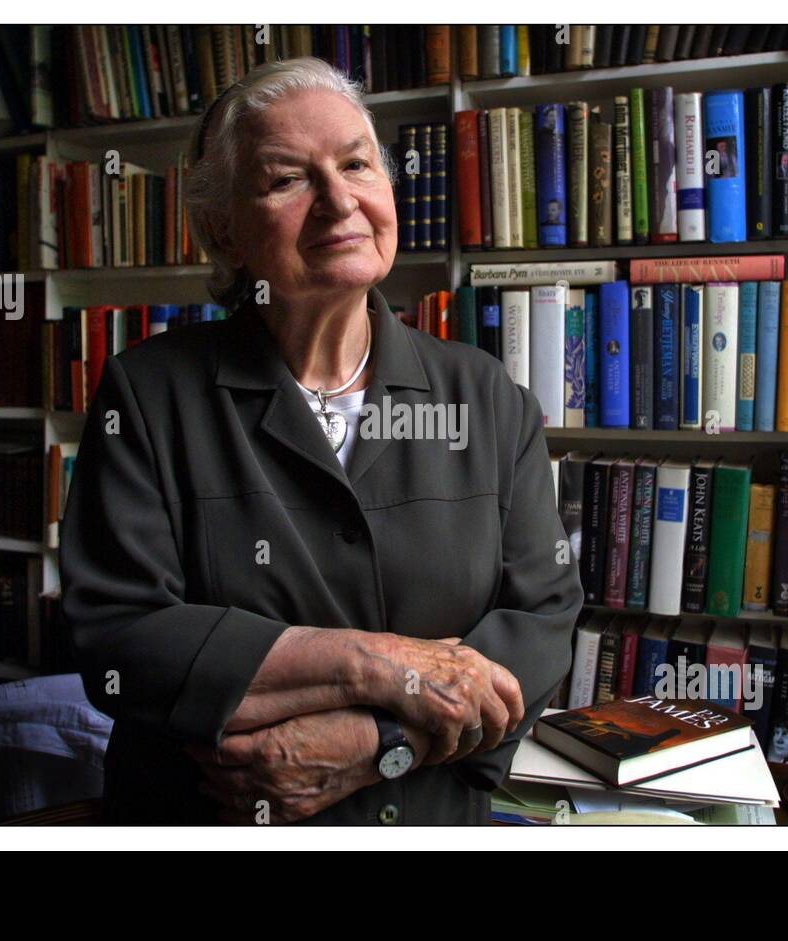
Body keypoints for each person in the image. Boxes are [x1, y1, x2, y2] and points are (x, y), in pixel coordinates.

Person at [59, 56, 584, 825]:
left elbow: (542, 621)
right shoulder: (148, 395)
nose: (339, 201)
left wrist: (379, 740)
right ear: (222, 229)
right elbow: (118, 637)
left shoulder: (488, 396)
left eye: (356, 165)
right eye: (286, 180)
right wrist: (379, 662)